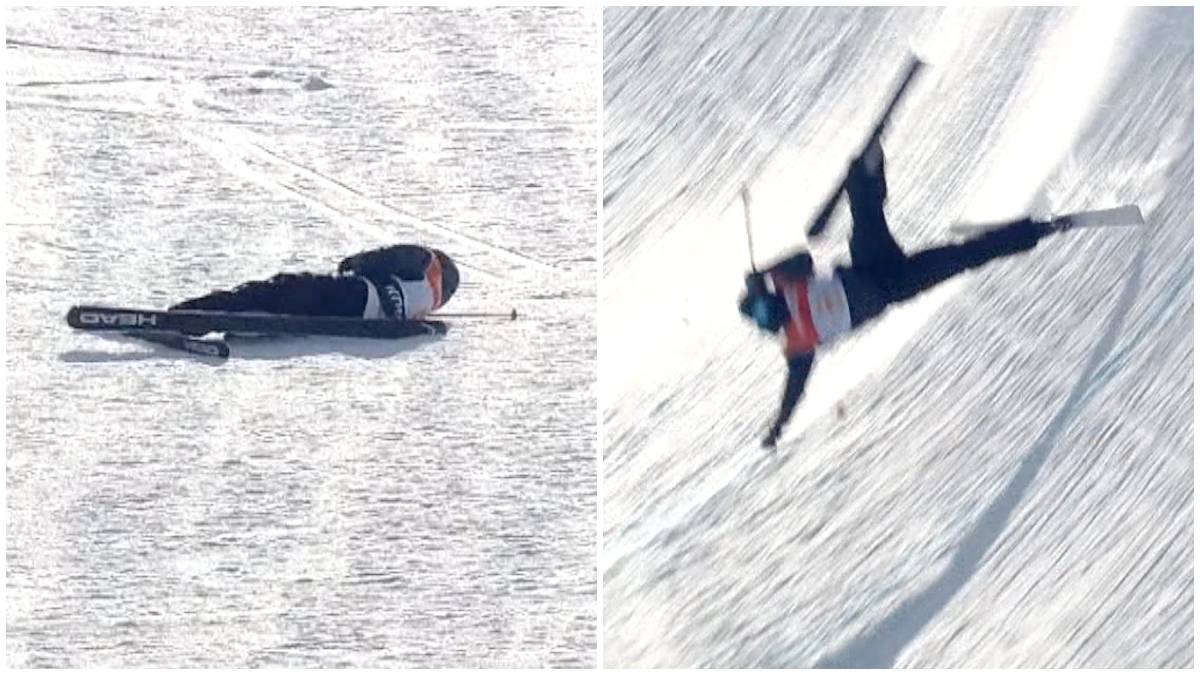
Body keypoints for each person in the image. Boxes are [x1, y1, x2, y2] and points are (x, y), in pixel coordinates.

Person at [739, 136, 1074, 448]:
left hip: (869, 265)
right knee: (960, 257)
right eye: (764, 319)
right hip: (893, 286)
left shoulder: (786, 288)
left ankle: (865, 169)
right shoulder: (796, 341)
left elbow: (803, 258)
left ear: (764, 299)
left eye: (763, 309)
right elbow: (794, 390)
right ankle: (1034, 231)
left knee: (868, 214)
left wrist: (765, 271)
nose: (770, 316)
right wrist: (779, 425)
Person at [171, 244, 460, 321]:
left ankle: (187, 315)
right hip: (356, 314)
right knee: (283, 302)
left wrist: (356, 262)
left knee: (273, 292)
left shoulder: (425, 261)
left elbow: (386, 258)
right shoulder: (424, 306)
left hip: (355, 292)